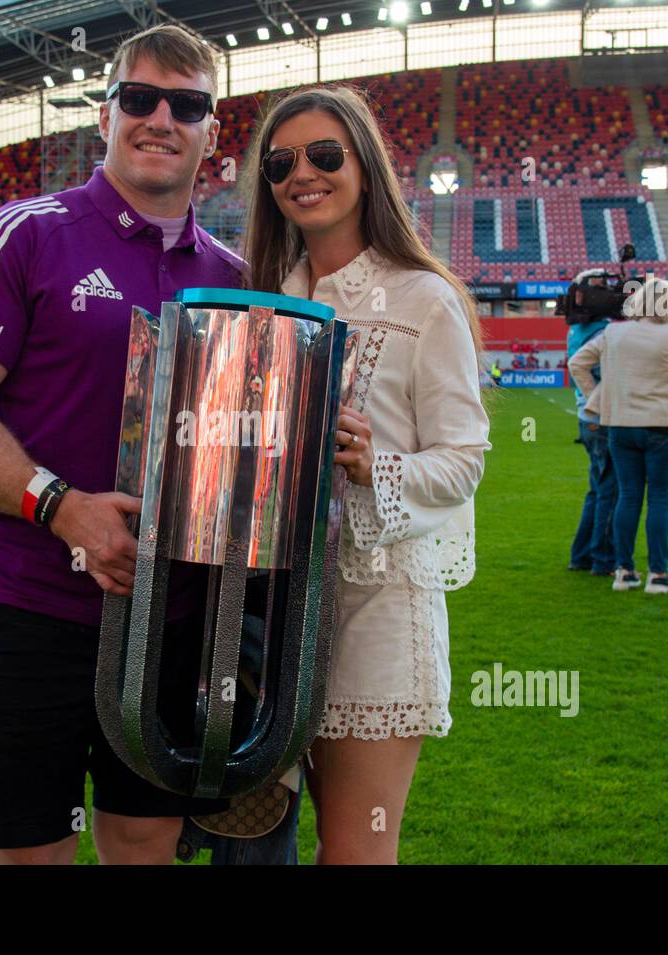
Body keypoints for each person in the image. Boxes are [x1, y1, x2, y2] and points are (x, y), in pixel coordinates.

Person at [0, 24, 296, 865]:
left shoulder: (237, 279)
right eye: (140, 98)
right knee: (34, 851)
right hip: (31, 602)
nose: (161, 118)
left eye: (187, 104)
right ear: (106, 112)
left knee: (142, 845)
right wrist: (61, 507)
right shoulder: (24, 232)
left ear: (212, 132)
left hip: (176, 618)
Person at [243, 83, 490, 863]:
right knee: (254, 841)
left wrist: (369, 463)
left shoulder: (425, 299)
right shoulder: (262, 301)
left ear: (365, 166)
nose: (301, 174)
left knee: (353, 851)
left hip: (378, 607)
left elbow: (464, 459)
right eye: (281, 163)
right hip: (266, 611)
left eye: (324, 155)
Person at [569, 277, 668, 594]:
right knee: (659, 500)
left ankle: (623, 571)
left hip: (621, 425)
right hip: (662, 426)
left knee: (627, 498)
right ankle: (658, 573)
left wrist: (597, 396)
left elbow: (577, 363)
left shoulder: (613, 332)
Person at [565, 269, 616, 578]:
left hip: (587, 415)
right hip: (602, 415)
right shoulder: (604, 330)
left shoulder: (577, 328)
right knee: (610, 488)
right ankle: (602, 558)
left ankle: (582, 554)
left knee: (598, 489)